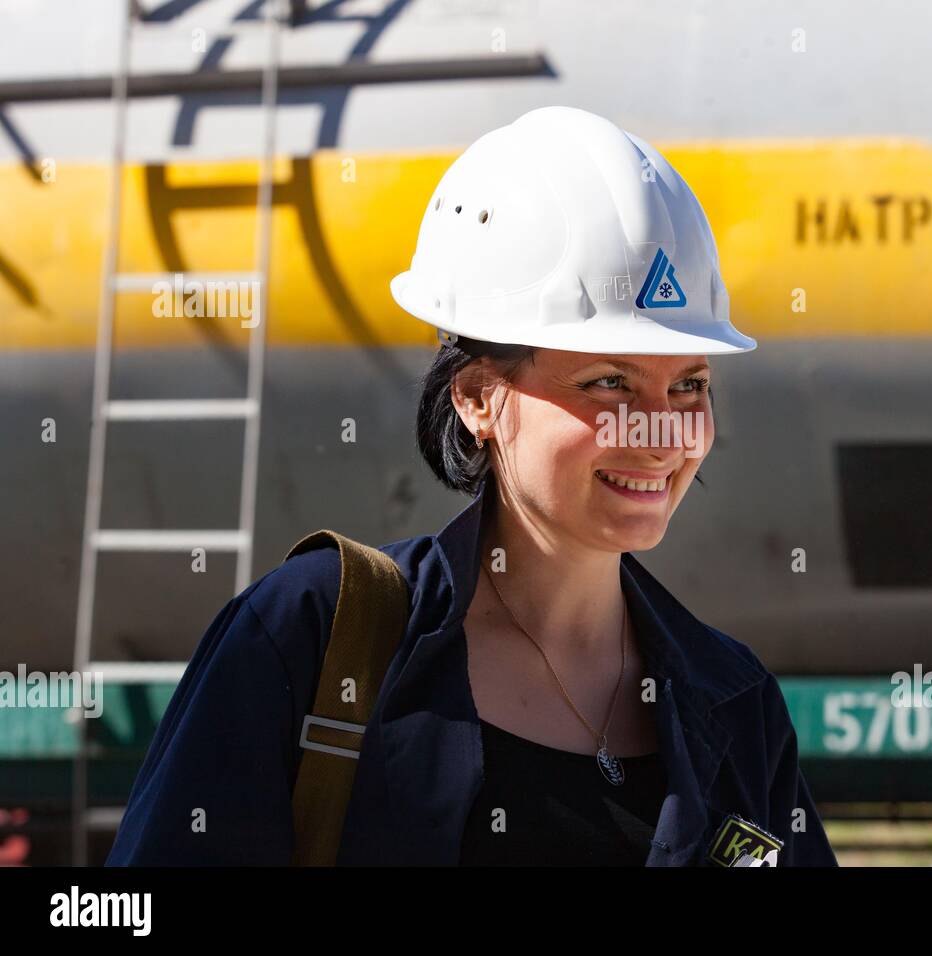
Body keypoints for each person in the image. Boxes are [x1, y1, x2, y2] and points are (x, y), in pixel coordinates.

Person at [106, 106, 837, 867]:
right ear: (479, 399)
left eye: (689, 385)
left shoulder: (734, 702)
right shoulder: (316, 636)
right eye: (609, 382)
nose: (659, 433)